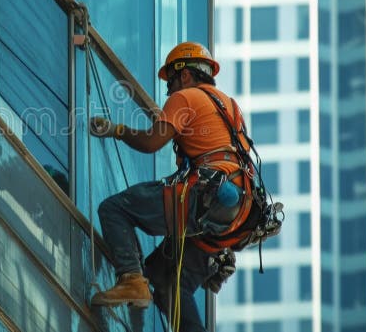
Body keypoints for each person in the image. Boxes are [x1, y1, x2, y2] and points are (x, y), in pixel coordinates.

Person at [89, 42, 259, 331]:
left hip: (206, 197)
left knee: (114, 209)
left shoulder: (187, 97)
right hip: (236, 212)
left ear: (185, 75)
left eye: (170, 82)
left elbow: (151, 142)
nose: (168, 91)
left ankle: (131, 279)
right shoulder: (228, 106)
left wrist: (117, 130)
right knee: (167, 280)